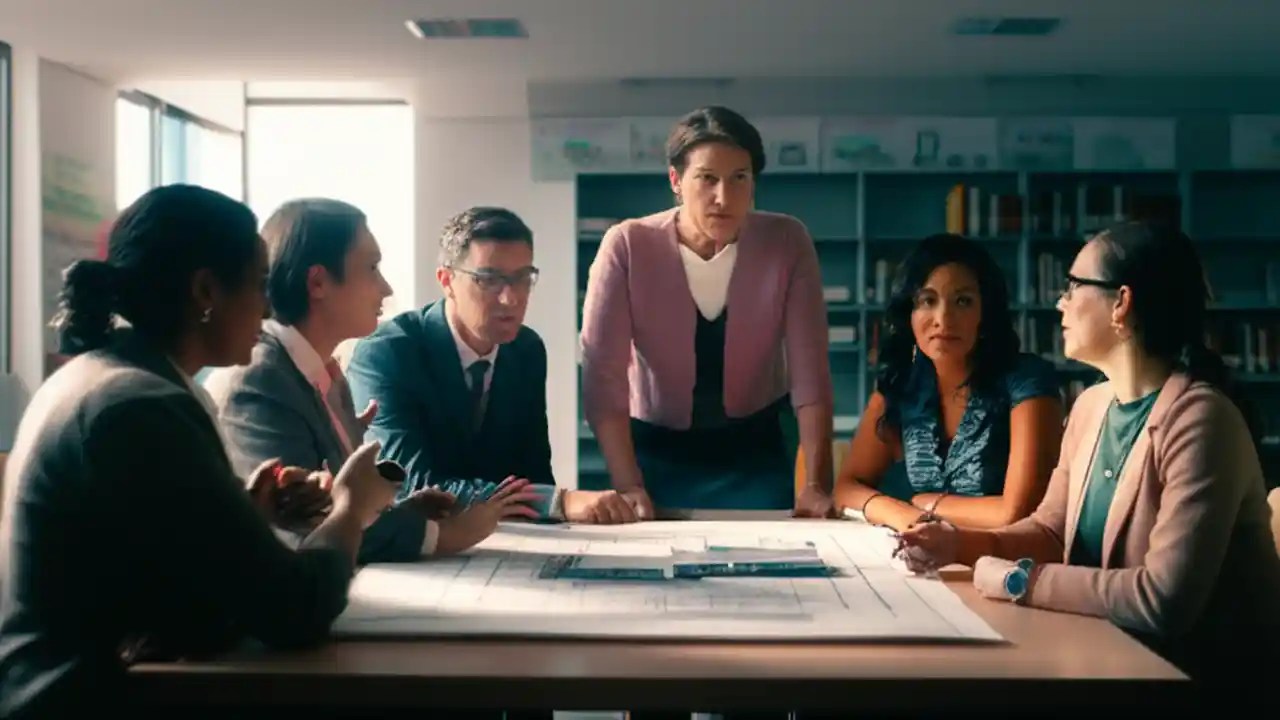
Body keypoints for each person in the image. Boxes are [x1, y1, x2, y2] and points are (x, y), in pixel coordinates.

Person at [0, 185, 397, 717]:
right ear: (206, 291)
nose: (269, 303)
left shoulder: (105, 380)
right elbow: (294, 609)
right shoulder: (141, 407)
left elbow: (171, 591)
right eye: (258, 284)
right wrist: (351, 506)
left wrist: (250, 516)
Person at [895, 222, 1280, 684]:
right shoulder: (1092, 405)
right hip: (1108, 659)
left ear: (1121, 303)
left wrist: (1020, 580)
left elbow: (1162, 601)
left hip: (1197, 685)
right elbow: (1049, 531)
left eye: (1073, 286)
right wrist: (958, 545)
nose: (1060, 302)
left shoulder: (1201, 420)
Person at [203, 198, 537, 562]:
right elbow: (306, 523)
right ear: (318, 282)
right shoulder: (260, 382)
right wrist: (442, 534)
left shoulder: (324, 373)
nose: (386, 288)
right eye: (372, 268)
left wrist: (407, 512)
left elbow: (346, 508)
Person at [580, 106, 835, 517]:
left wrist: (815, 486)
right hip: (654, 450)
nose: (724, 197)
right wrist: (628, 484)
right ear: (676, 181)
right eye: (707, 179)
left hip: (756, 449)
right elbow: (602, 378)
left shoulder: (787, 241)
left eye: (740, 179)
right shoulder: (627, 245)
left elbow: (811, 373)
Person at [346, 206, 640, 559]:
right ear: (446, 281)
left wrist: (563, 517)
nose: (511, 298)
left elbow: (531, 470)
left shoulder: (526, 350)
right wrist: (560, 501)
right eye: (488, 280)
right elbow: (411, 483)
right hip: (415, 551)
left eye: (522, 278)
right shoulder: (388, 353)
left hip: (502, 547)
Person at [832, 234, 1064, 531]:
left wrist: (925, 504)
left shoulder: (1027, 381)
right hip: (926, 554)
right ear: (910, 314)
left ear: (986, 314)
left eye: (963, 301)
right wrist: (900, 513)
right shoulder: (900, 384)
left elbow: (1018, 512)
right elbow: (847, 489)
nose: (943, 318)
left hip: (1004, 564)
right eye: (928, 300)